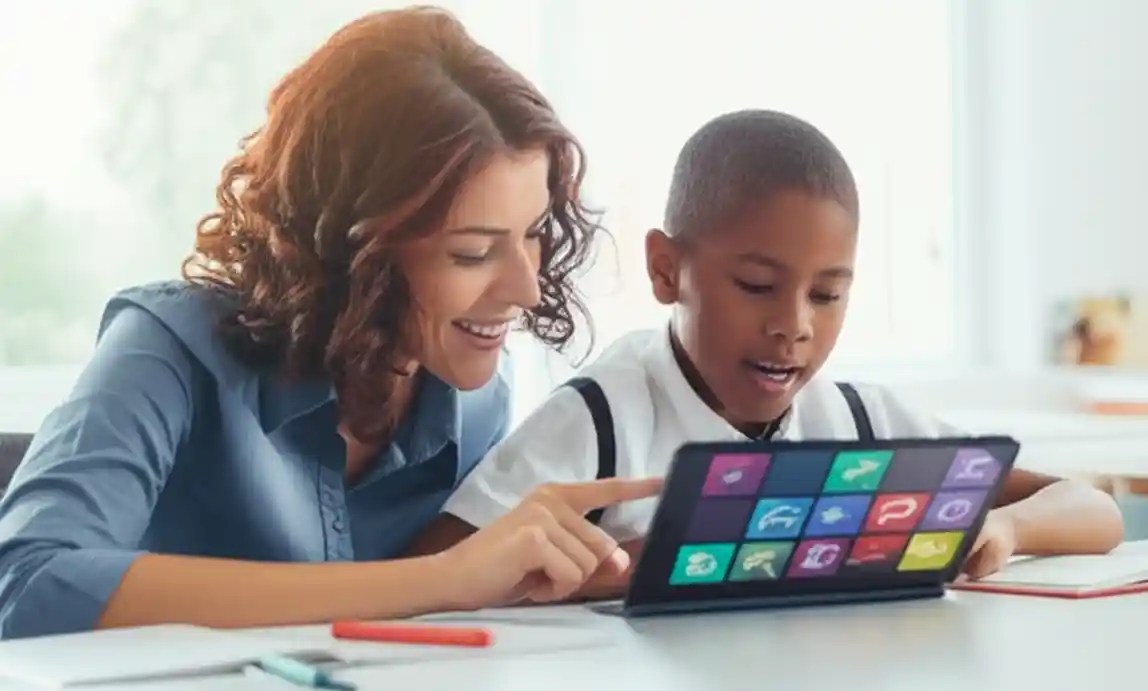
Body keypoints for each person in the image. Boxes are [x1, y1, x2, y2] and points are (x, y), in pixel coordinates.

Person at [0, 6, 659, 639]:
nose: (523, 286)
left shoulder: (474, 397)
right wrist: (436, 579)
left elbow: (433, 613)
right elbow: (26, 584)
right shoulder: (167, 349)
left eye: (534, 233)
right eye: (472, 252)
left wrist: (535, 579)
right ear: (351, 248)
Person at [423, 109, 1124, 590]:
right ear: (667, 271)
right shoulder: (603, 420)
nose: (793, 326)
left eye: (826, 296)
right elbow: (431, 568)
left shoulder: (860, 426)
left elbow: (1093, 507)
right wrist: (587, 575)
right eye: (757, 286)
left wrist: (1005, 526)